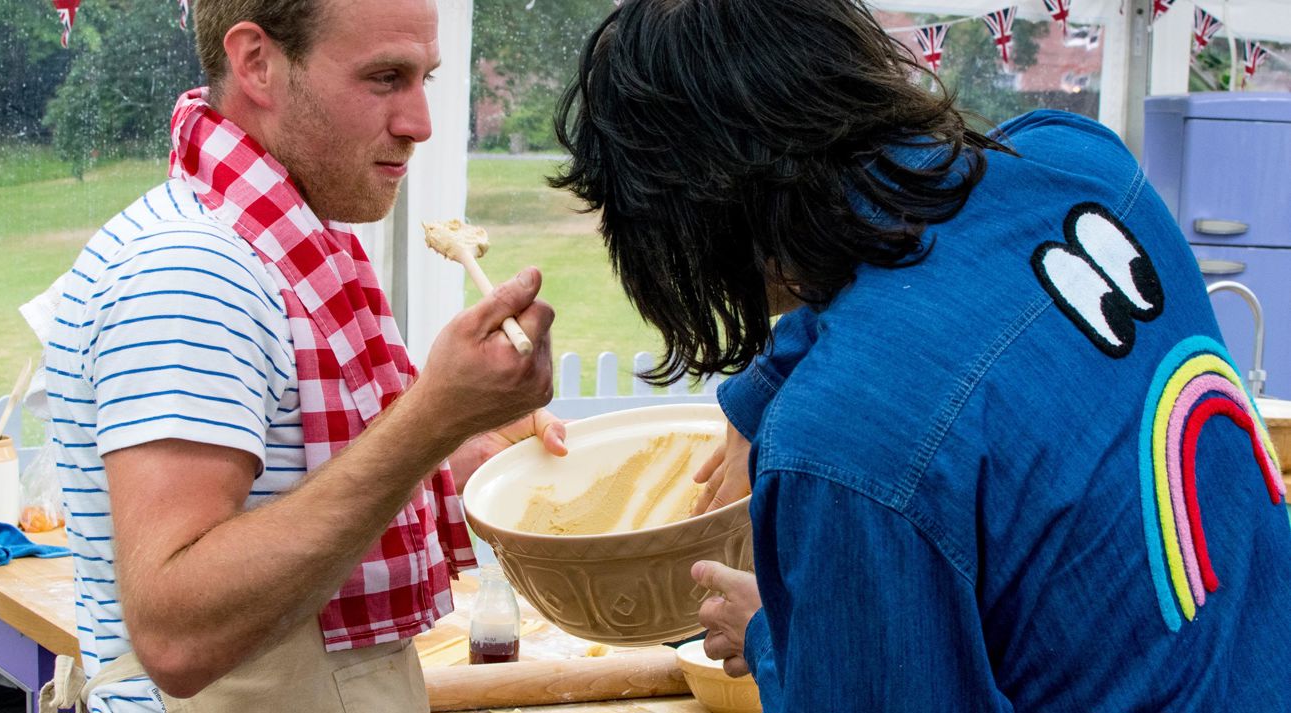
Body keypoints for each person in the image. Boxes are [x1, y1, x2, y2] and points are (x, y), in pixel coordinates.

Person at [551, 0, 1291, 710]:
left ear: (690, 217)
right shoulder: (1081, 156)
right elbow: (913, 257)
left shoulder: (842, 447)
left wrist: (776, 641)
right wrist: (757, 396)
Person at [42, 0, 566, 710]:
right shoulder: (194, 271)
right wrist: (430, 419)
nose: (420, 123)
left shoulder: (267, 243)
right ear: (257, 62)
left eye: (424, 80)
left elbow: (288, 492)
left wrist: (459, 451)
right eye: (385, 78)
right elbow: (175, 631)